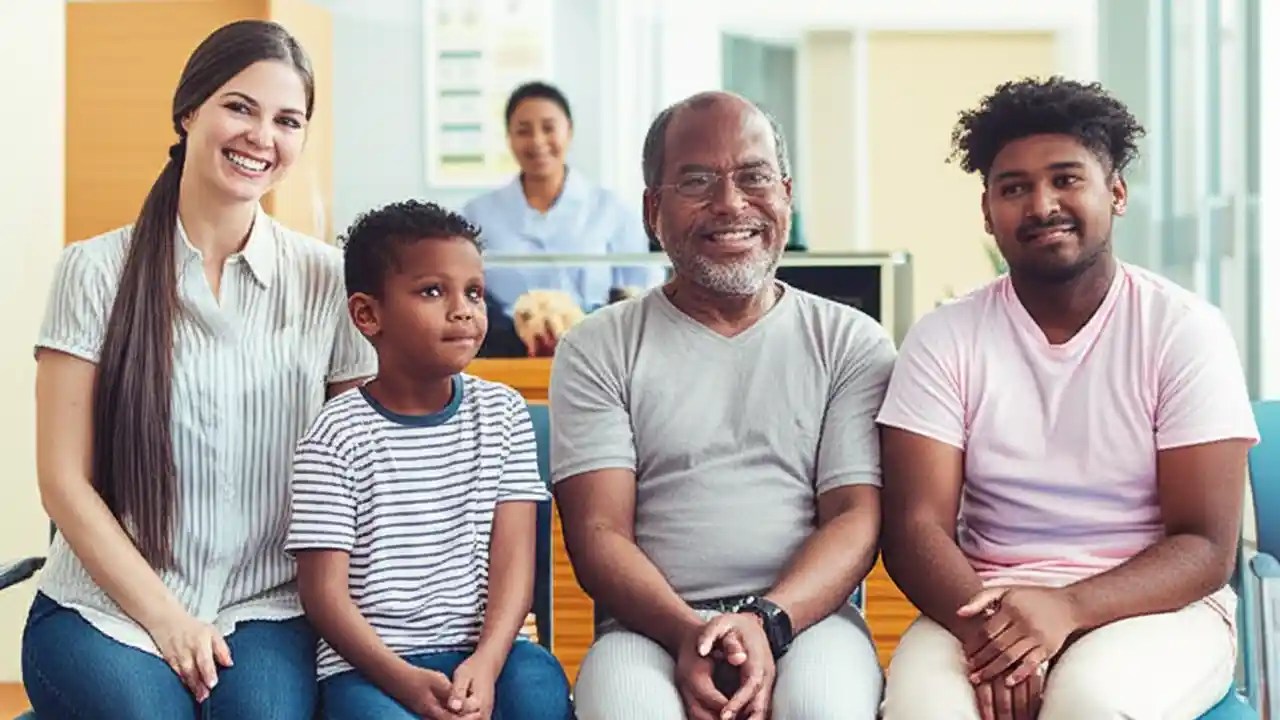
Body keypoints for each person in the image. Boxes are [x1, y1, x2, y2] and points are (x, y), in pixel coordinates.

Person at [23, 20, 376, 719]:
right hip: (106, 609)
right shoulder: (96, 270)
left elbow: (359, 475)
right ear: (190, 112)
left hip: (267, 607)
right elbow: (63, 482)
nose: (261, 137)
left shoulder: (329, 282)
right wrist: (170, 621)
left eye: (287, 120)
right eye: (239, 107)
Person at [877, 76, 1259, 719]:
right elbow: (915, 527)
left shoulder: (1184, 330)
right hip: (980, 602)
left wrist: (1065, 609)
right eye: (1014, 187)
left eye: (1066, 178)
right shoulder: (946, 336)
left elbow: (1205, 546)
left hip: (1154, 607)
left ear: (1115, 192)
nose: (1041, 204)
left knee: (1089, 703)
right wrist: (997, 634)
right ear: (987, 210)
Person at [550, 91, 893, 720]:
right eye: (698, 181)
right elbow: (598, 532)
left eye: (755, 177)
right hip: (648, 628)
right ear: (654, 209)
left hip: (810, 620)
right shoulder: (597, 346)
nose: (731, 203)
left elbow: (853, 518)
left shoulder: (851, 341)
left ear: (785, 194)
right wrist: (688, 632)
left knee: (825, 708)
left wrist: (767, 622)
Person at [287, 199, 574, 720]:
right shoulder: (335, 433)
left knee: (540, 692)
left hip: (486, 653)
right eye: (432, 291)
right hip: (369, 667)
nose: (463, 309)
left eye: (474, 292)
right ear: (367, 314)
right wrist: (403, 680)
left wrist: (486, 664)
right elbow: (323, 594)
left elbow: (515, 567)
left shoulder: (503, 414)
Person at [463, 81, 658, 357]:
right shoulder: (476, 214)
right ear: (509, 138)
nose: (538, 141)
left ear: (569, 131)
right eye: (523, 130)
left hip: (598, 351)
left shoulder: (613, 211)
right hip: (505, 356)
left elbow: (640, 291)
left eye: (548, 128)